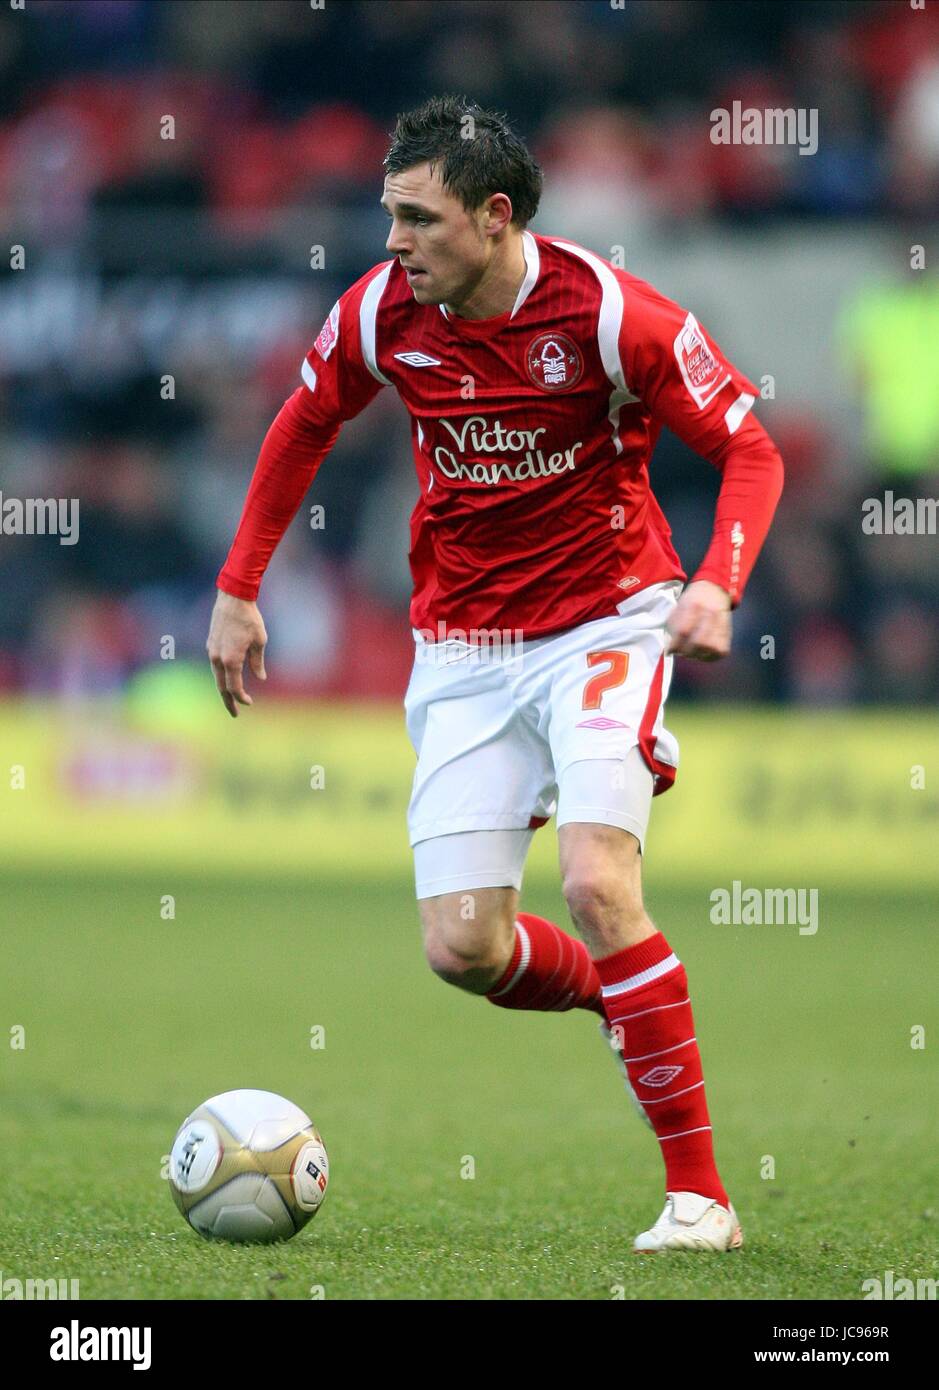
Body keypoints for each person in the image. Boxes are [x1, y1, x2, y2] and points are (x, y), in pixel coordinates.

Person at [207, 95, 784, 1252]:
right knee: (462, 948)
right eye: (389, 216)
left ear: (493, 215)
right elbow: (302, 422)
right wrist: (238, 585)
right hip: (464, 648)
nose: (394, 243)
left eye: (417, 220)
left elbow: (749, 447)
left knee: (594, 885)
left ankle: (701, 1201)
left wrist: (715, 584)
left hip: (609, 623)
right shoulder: (382, 312)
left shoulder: (614, 314)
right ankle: (622, 1000)